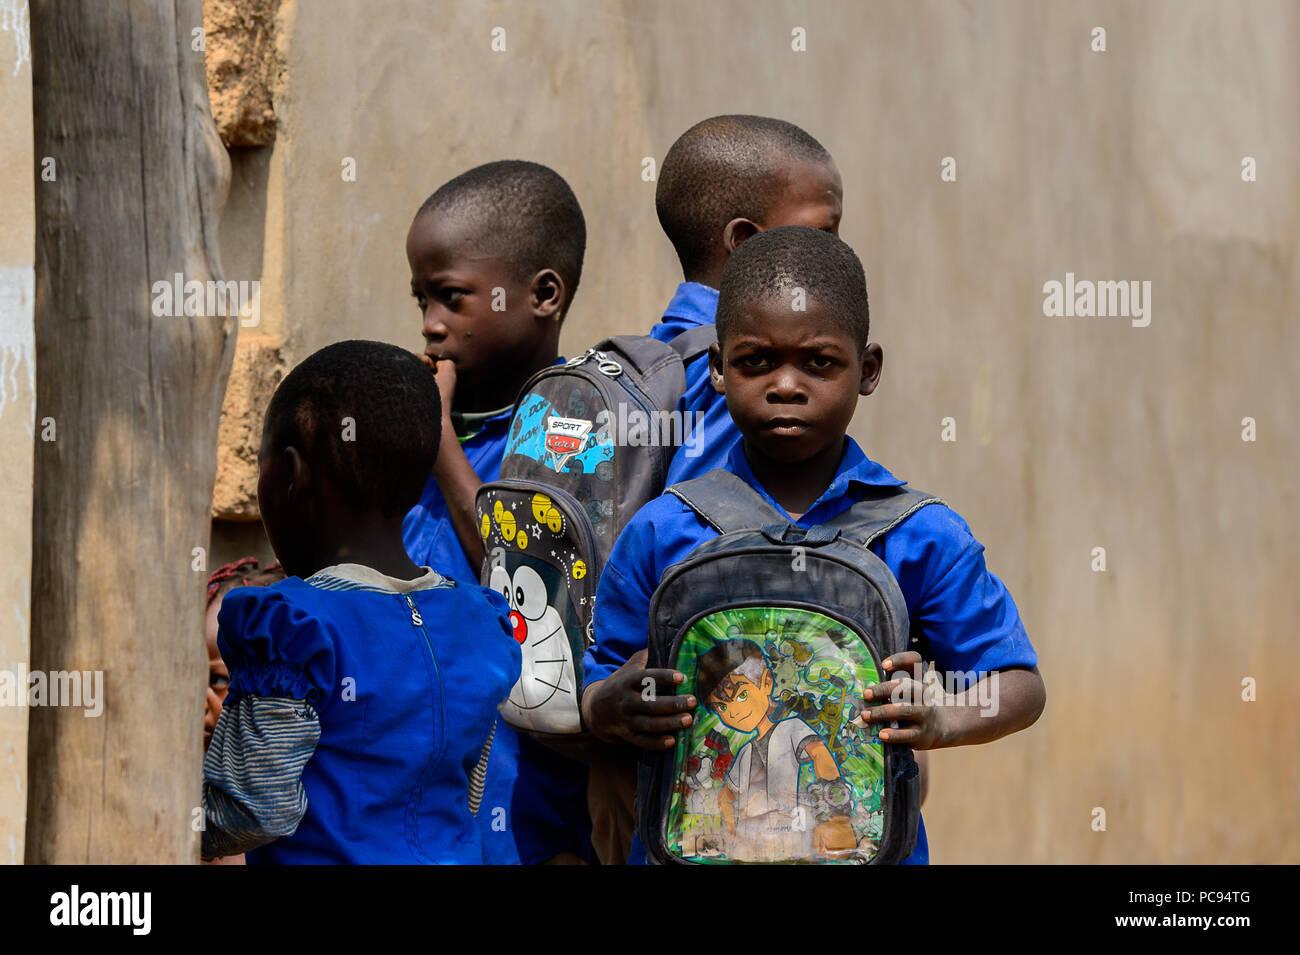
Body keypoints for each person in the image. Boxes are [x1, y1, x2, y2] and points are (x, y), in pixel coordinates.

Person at [582, 226, 1046, 864]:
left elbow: (1017, 684)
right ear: (717, 368)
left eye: (819, 363)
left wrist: (940, 718)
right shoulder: (665, 531)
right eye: (755, 362)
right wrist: (613, 706)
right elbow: (600, 686)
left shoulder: (916, 533)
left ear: (868, 369)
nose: (786, 385)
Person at [584, 114, 847, 864]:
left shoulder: (630, 368)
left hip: (605, 736)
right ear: (743, 242)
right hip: (696, 753)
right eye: (824, 231)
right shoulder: (745, 389)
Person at [201, 340, 521, 864]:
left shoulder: (292, 625)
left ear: (291, 473)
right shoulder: (481, 621)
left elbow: (254, 808)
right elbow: (469, 791)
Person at [402, 161, 593, 864]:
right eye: (421, 298)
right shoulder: (432, 425)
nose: (430, 326)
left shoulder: (569, 431)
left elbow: (528, 596)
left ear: (543, 295)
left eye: (452, 298)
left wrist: (442, 444)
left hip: (521, 798)